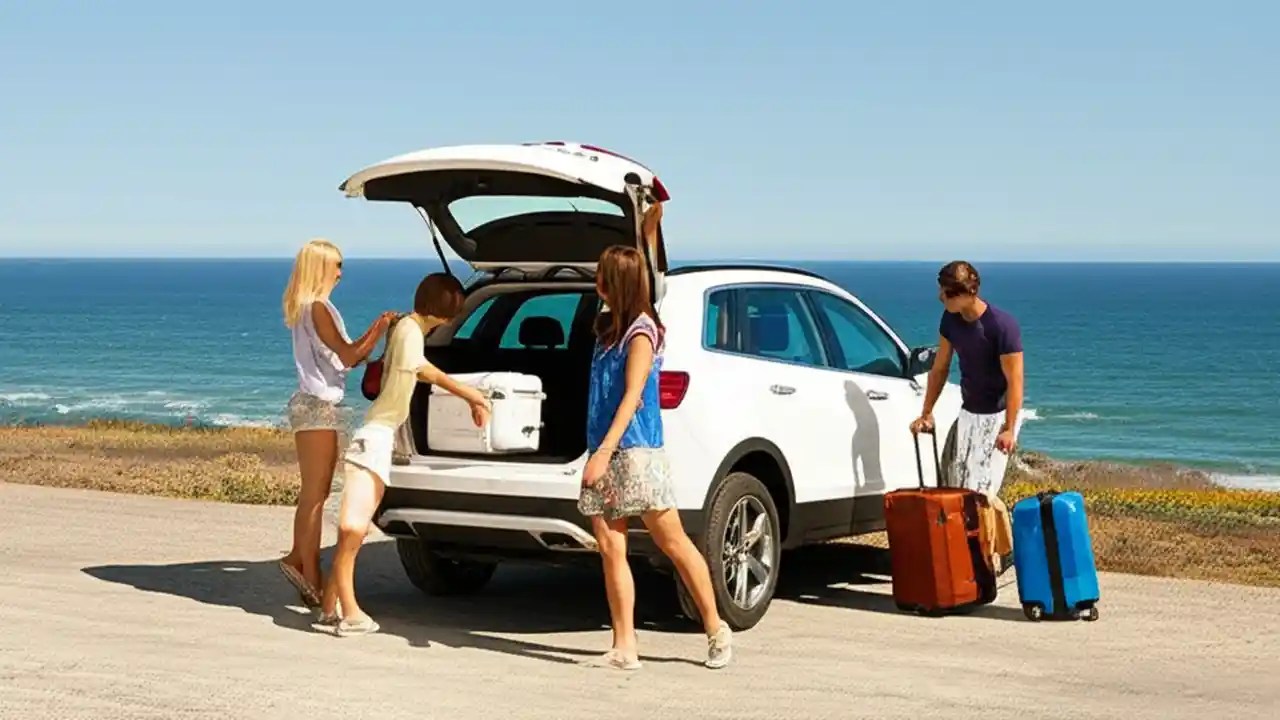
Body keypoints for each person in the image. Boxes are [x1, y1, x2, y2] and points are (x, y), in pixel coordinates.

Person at [578, 202, 733, 671]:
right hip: (605, 449)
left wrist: (602, 454)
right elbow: (642, 270)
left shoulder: (643, 331)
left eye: (601, 275)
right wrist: (646, 230)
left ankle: (715, 628)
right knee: (610, 545)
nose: (595, 281)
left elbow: (632, 398)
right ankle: (624, 645)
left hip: (635, 452)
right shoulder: (608, 327)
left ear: (614, 284)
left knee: (672, 540)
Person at [314, 273, 491, 636]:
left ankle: (329, 605)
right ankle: (351, 613)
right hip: (374, 438)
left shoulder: (407, 330)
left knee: (354, 532)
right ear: (447, 313)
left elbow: (418, 370)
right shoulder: (410, 330)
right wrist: (471, 395)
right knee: (352, 529)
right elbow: (425, 371)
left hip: (381, 436)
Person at [279, 238, 395, 608]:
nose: (341, 273)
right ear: (321, 267)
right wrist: (380, 327)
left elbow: (343, 358)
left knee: (316, 492)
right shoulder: (318, 309)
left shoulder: (312, 309)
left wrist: (366, 346)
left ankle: (302, 561)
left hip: (315, 406)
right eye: (337, 265)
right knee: (315, 494)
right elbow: (348, 357)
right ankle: (305, 567)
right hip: (317, 407)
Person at [910, 260, 1024, 571]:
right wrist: (927, 413)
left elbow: (1015, 382)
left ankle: (997, 553)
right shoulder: (951, 320)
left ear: (965, 293)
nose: (940, 298)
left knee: (982, 491)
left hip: (998, 417)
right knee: (960, 488)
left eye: (945, 293)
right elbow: (941, 367)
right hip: (969, 414)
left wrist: (1009, 428)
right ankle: (970, 556)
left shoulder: (1002, 326)